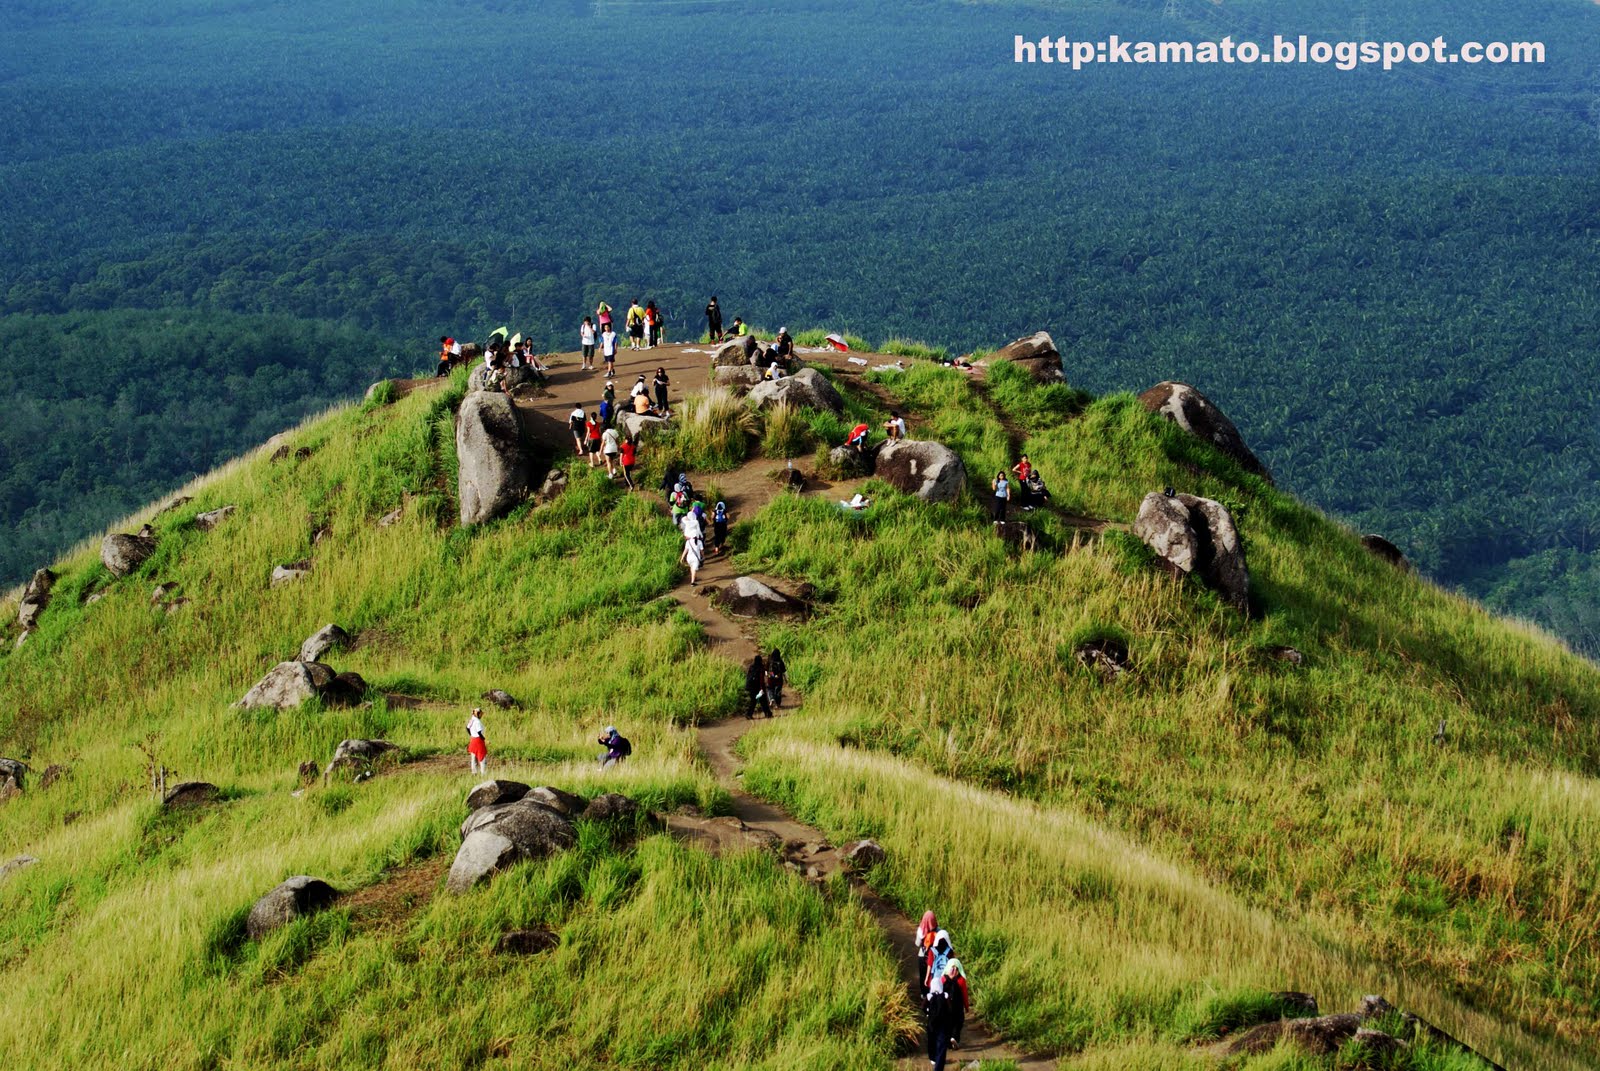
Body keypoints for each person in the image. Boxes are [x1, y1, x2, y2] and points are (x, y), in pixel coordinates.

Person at [925, 972, 959, 1071]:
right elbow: (950, 1009)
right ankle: (938, 1068)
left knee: (932, 1041)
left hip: (932, 1024)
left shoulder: (929, 996)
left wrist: (928, 1013)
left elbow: (923, 1007)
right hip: (943, 1025)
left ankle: (933, 1058)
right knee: (942, 1046)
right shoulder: (945, 996)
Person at [944, 959, 970, 1047]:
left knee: (947, 1023)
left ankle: (948, 1042)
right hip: (958, 1006)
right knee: (958, 1022)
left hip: (946, 1007)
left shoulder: (943, 979)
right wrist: (966, 1006)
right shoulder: (961, 980)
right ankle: (954, 1038)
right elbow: (965, 994)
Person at [680, 506, 704, 585]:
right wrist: (703, 556)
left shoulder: (686, 522)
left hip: (688, 556)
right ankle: (692, 582)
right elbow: (702, 551)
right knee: (694, 568)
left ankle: (693, 578)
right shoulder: (696, 522)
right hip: (695, 557)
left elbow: (685, 550)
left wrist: (682, 557)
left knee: (692, 567)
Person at [745, 652, 772, 718]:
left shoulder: (751, 667)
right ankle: (768, 713)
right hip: (758, 688)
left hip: (751, 687)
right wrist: (762, 689)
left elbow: (748, 677)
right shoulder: (761, 668)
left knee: (753, 701)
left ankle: (749, 714)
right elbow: (762, 679)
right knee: (763, 701)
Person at [466, 708, 488, 774]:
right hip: (478, 741)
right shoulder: (477, 722)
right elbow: (479, 733)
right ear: (477, 714)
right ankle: (483, 773)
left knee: (473, 757)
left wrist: (472, 735)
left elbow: (467, 728)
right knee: (482, 757)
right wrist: (484, 740)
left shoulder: (472, 720)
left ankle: (474, 772)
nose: (481, 715)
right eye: (480, 714)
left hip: (473, 740)